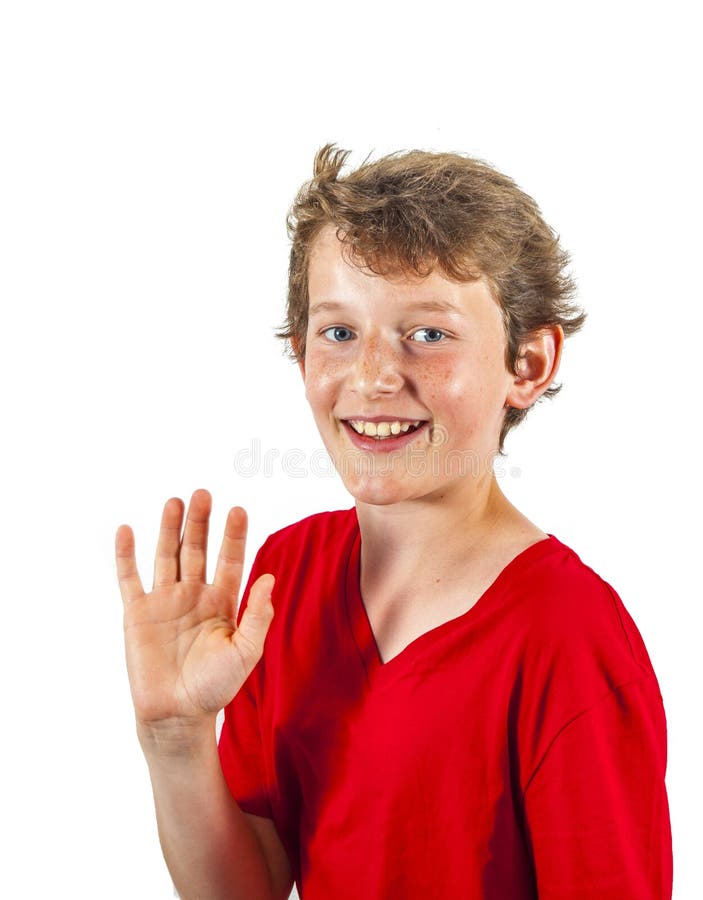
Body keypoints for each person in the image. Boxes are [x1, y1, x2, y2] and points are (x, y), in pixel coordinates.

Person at [116, 145, 673, 899]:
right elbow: (249, 887)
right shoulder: (289, 576)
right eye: (338, 332)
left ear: (528, 363)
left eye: (429, 334)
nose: (374, 376)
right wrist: (175, 740)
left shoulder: (568, 635)